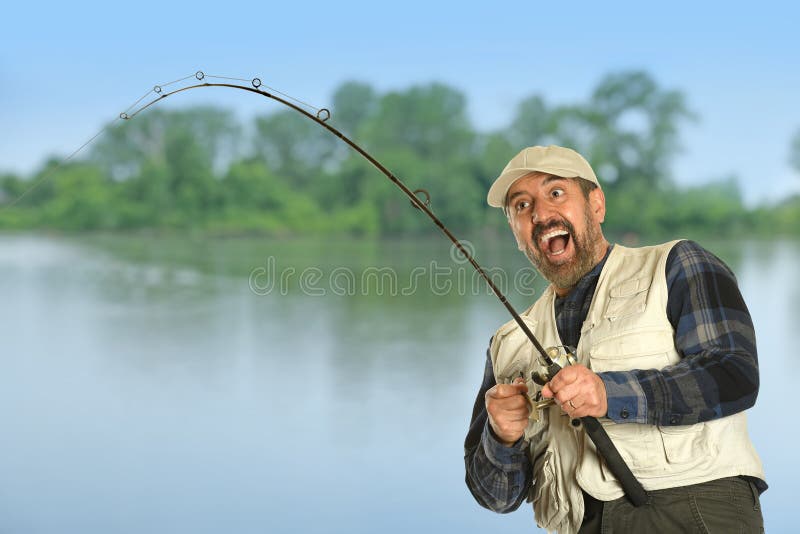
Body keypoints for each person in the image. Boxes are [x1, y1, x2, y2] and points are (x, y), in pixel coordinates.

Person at [464, 145, 766, 533]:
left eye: (556, 193)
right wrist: (501, 437)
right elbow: (494, 497)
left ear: (597, 205)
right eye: (521, 206)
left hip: (692, 511)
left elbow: (734, 373)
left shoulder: (678, 263)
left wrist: (609, 394)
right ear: (516, 233)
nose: (540, 213)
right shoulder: (505, 344)